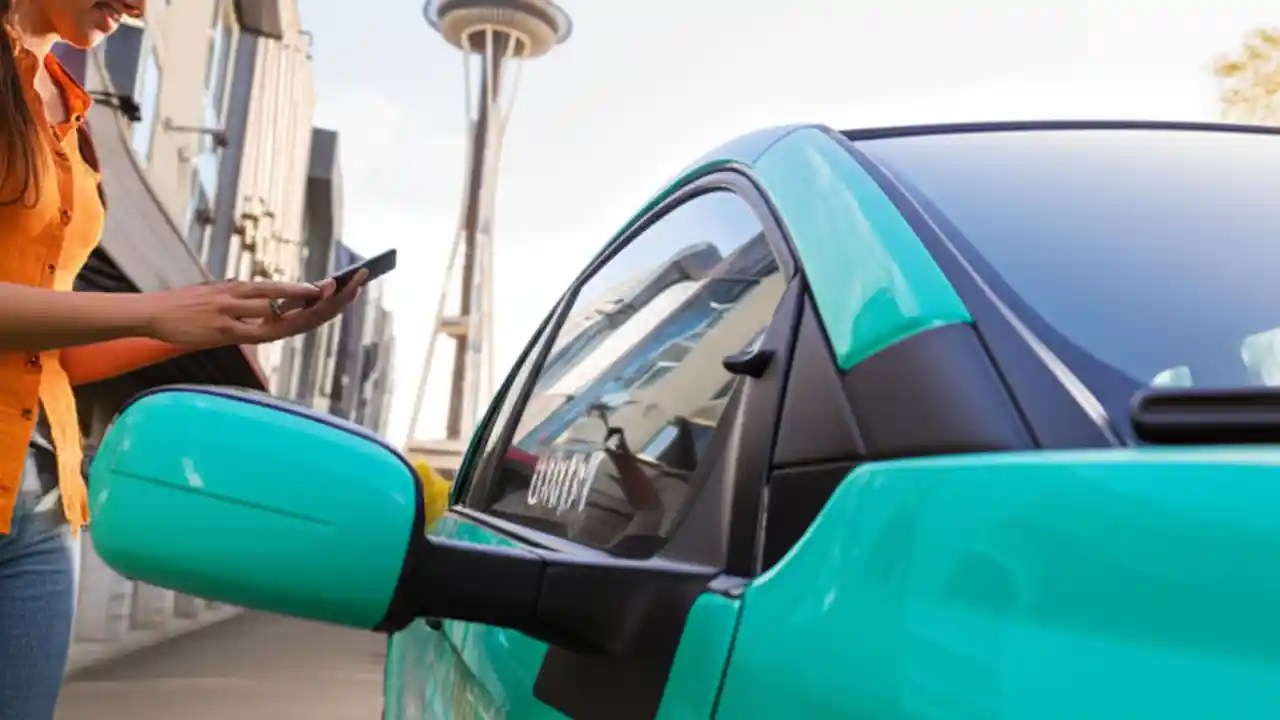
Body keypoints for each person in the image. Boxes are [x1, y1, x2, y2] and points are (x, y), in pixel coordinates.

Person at [0, 1, 366, 716]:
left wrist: (217, 326)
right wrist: (152, 309)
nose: (139, 7)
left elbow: (56, 357)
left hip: (42, 504)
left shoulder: (72, 111)